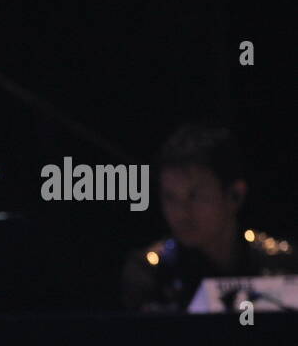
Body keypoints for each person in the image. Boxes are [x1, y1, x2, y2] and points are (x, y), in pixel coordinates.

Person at [122, 122, 296, 311]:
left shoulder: (282, 265)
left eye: (195, 196)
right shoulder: (151, 273)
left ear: (234, 196)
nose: (181, 212)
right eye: (170, 197)